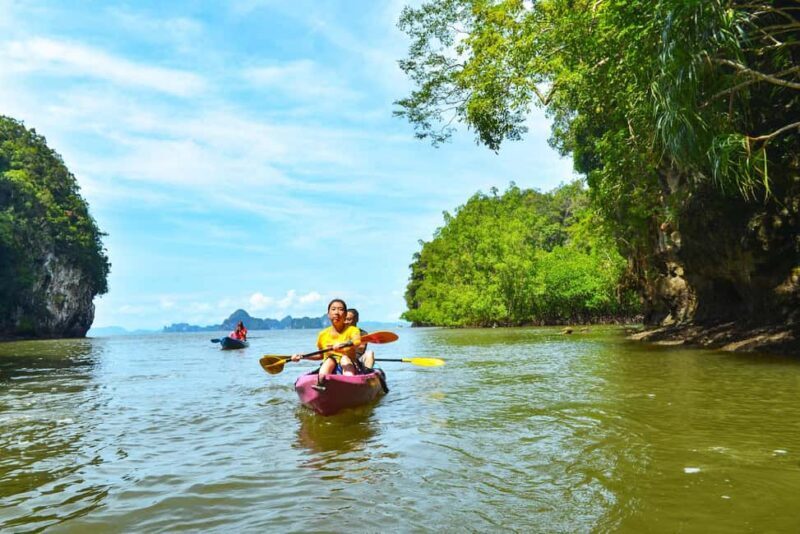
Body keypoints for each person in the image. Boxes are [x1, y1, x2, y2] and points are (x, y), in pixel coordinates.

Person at [291, 299, 361, 389]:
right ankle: (321, 383)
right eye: (333, 309)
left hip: (348, 363)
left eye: (340, 309)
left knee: (344, 359)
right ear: (328, 314)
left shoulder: (353, 330)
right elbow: (320, 355)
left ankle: (349, 384)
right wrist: (302, 356)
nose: (337, 312)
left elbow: (357, 342)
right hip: (329, 364)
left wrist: (343, 344)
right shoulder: (322, 334)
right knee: (329, 360)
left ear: (345, 314)